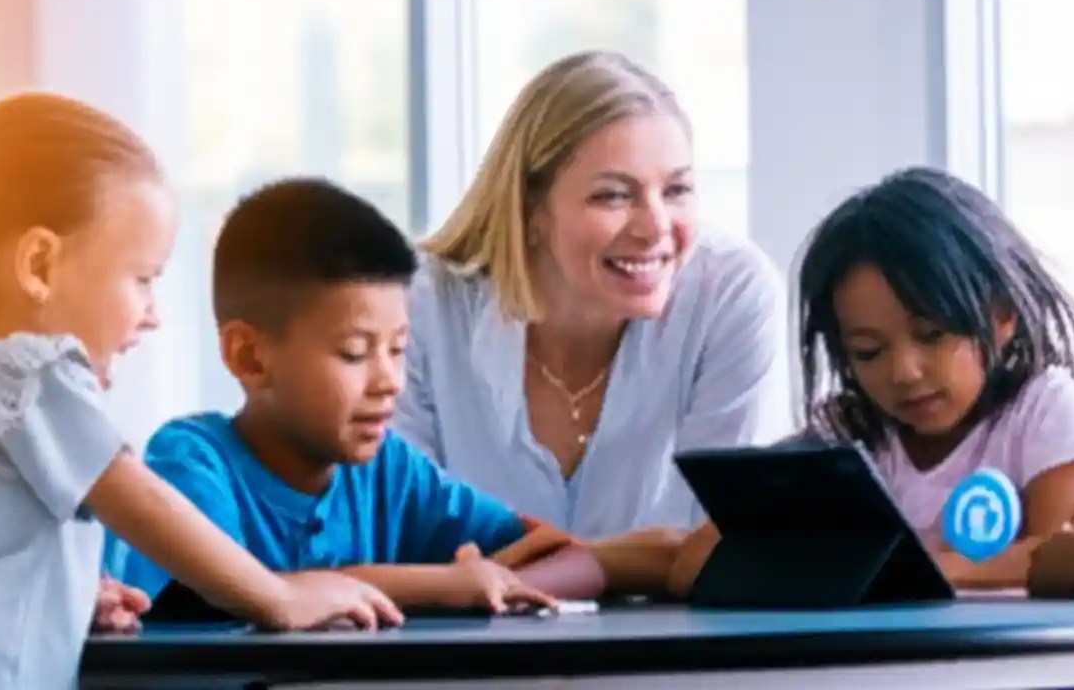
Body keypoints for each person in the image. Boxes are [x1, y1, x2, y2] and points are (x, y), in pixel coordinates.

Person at [0, 93, 400, 689]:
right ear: (39, 265)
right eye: (142, 279)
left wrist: (58, 598)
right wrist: (277, 597)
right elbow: (141, 503)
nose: (152, 315)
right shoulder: (27, 373)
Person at [107, 178, 692, 618]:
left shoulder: (391, 472)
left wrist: (492, 580)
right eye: (355, 353)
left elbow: (555, 554)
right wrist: (439, 585)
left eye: (398, 349)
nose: (389, 380)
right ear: (249, 358)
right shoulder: (191, 461)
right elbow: (225, 596)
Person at [395, 50, 790, 538]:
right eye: (613, 196)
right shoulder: (419, 305)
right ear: (531, 209)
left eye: (676, 190)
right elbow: (399, 534)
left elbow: (721, 540)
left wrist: (548, 565)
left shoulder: (731, 295)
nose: (655, 227)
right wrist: (627, 561)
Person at [792, 166, 1074, 588]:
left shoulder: (1044, 412)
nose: (904, 373)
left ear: (1002, 315)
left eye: (932, 335)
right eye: (868, 352)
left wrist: (937, 571)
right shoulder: (849, 435)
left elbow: (1061, 557)